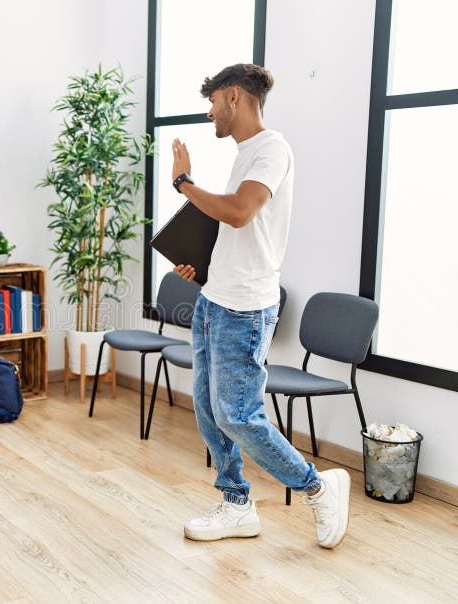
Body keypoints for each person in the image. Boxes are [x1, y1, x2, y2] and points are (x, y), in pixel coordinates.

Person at [171, 64, 350, 549]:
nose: (210, 113)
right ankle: (236, 504)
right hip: (214, 300)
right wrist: (201, 266)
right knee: (210, 410)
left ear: (233, 98)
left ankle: (317, 485)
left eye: (212, 102)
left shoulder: (272, 149)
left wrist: (183, 182)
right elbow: (241, 232)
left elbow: (239, 211)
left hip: (245, 310)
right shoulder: (245, 153)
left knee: (238, 416)